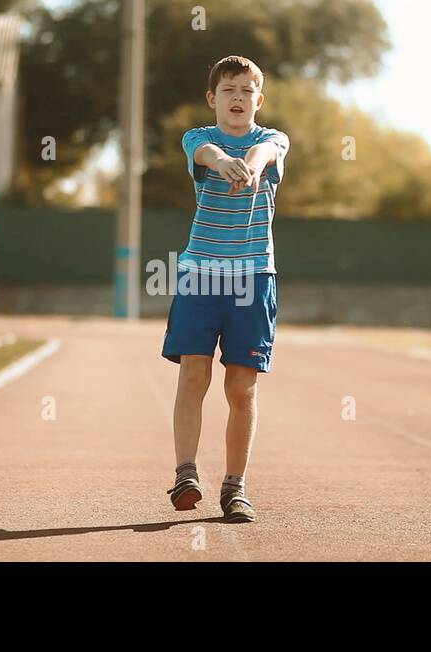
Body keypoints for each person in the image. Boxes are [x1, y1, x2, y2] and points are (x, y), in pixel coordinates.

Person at [161, 55, 290, 523]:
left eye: (247, 91)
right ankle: (185, 473)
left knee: (242, 388)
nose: (239, 98)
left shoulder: (272, 140)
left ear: (260, 99)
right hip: (201, 275)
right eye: (229, 90)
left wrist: (251, 166)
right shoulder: (199, 138)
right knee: (194, 376)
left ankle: (235, 488)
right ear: (213, 98)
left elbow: (265, 154)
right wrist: (227, 163)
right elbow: (208, 156)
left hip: (254, 278)